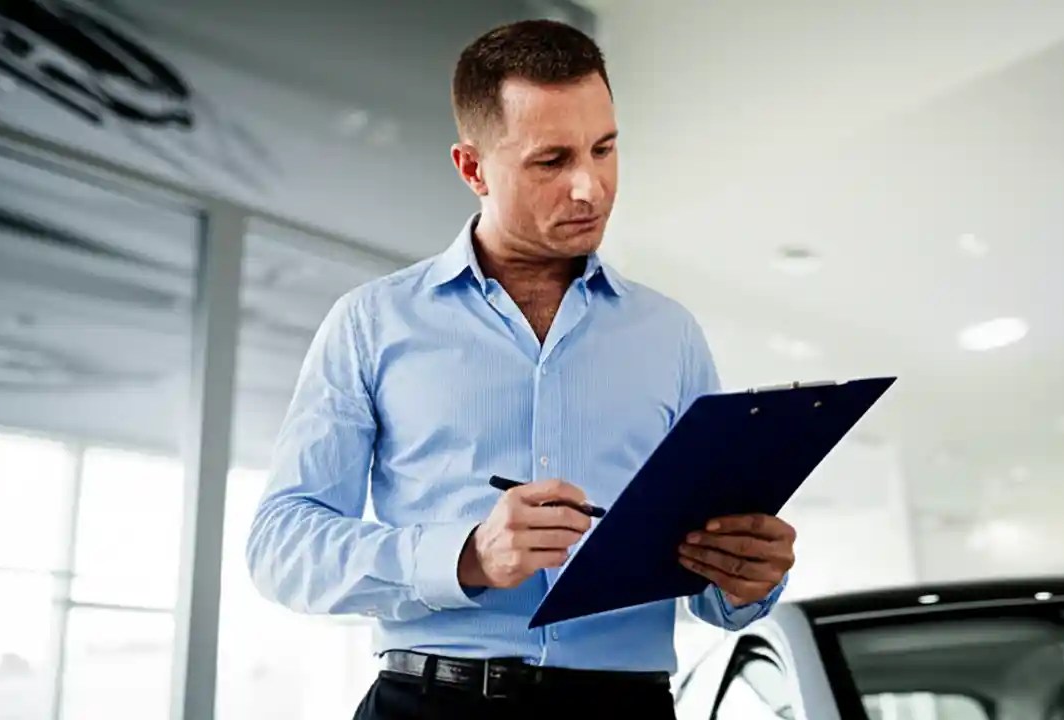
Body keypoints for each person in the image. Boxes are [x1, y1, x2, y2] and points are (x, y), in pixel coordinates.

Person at [246, 18, 797, 719]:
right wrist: (466, 556)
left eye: (604, 149)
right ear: (472, 168)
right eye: (551, 161)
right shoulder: (371, 323)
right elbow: (282, 546)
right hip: (430, 704)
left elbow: (715, 595)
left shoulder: (671, 335)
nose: (589, 188)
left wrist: (746, 578)